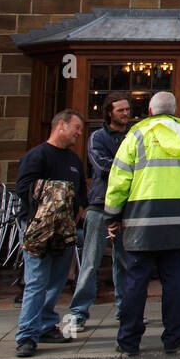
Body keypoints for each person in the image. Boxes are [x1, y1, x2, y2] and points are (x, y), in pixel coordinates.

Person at [106, 91, 180, 355]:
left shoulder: (136, 137)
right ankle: (173, 338)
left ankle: (128, 341)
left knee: (136, 282)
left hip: (140, 221)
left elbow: (119, 180)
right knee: (174, 281)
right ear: (176, 111)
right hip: (178, 220)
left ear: (150, 112)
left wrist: (112, 215)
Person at [14, 110, 87, 357]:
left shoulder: (75, 161)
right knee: (36, 281)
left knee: (56, 281)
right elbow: (23, 189)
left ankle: (46, 324)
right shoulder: (36, 156)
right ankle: (26, 335)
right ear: (61, 125)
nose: (79, 133)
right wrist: (57, 194)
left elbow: (81, 197)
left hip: (65, 232)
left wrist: (75, 215)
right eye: (76, 127)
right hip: (38, 231)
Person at [66, 92, 132, 331]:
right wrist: (128, 167)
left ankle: (125, 309)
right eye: (120, 110)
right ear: (109, 112)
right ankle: (78, 313)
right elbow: (102, 166)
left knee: (123, 261)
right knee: (90, 261)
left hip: (126, 206)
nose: (126, 114)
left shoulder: (133, 136)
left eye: (127, 109)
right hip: (99, 205)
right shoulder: (97, 137)